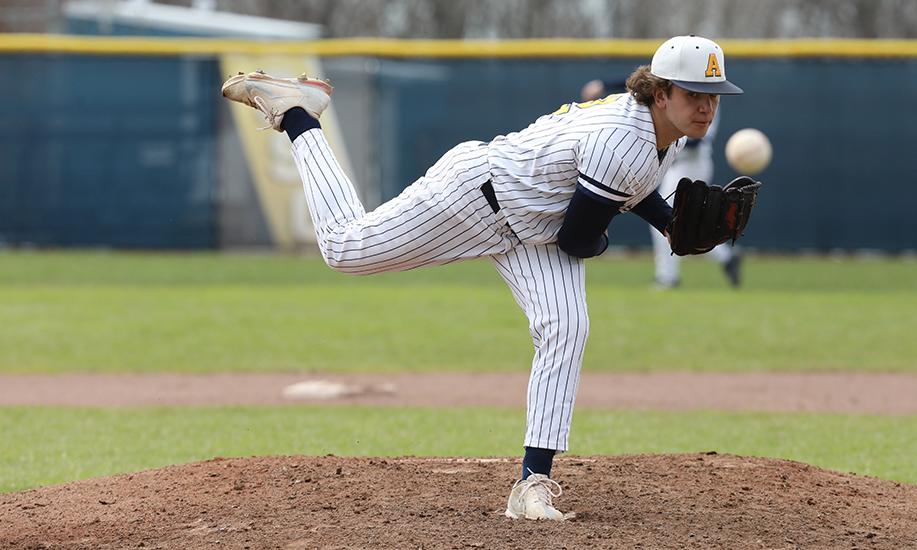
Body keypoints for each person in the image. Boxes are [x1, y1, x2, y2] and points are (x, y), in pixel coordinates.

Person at [222, 34, 742, 521]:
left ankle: (531, 485)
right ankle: (297, 116)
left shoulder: (662, 134)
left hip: (534, 225)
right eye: (694, 93)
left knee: (566, 326)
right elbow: (579, 241)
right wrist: (653, 233)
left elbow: (635, 188)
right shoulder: (620, 140)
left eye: (713, 96)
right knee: (344, 248)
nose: (706, 107)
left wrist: (672, 225)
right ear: (659, 93)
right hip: (477, 197)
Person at [582, 79, 742, 289]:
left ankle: (668, 276)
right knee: (685, 221)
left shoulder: (705, 98)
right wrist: (604, 85)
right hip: (670, 164)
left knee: (667, 219)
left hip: (689, 165)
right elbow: (645, 80)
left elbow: (694, 140)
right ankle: (725, 256)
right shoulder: (677, 88)